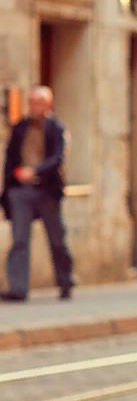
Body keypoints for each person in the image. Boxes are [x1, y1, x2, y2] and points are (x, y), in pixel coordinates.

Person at [1, 87, 74, 301]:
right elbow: (10, 158)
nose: (35, 107)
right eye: (32, 102)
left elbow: (57, 157)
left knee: (57, 240)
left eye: (40, 103)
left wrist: (36, 171)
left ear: (49, 105)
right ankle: (18, 288)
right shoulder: (20, 128)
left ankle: (65, 281)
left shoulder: (56, 128)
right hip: (21, 191)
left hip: (46, 191)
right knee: (20, 240)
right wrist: (10, 186)